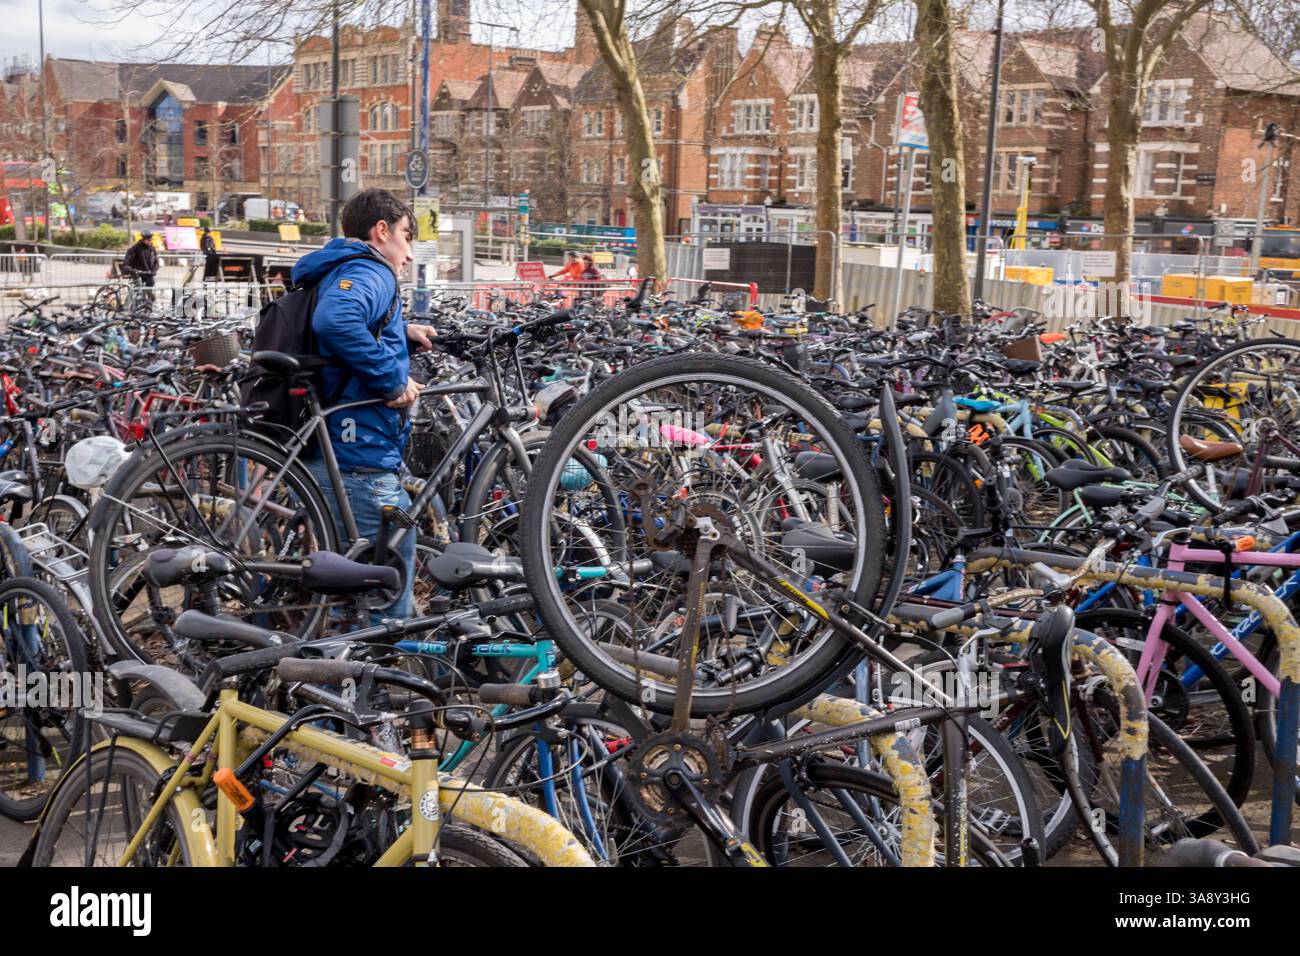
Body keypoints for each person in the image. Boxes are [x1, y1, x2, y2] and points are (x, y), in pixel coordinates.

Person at [290, 188, 437, 620]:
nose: (408, 253)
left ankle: (342, 657)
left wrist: (399, 330)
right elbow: (336, 320)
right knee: (389, 554)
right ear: (381, 230)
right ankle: (386, 661)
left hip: (331, 441)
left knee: (349, 566)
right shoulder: (373, 271)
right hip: (358, 446)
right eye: (406, 237)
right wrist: (393, 380)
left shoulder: (336, 266)